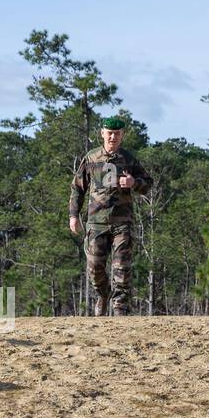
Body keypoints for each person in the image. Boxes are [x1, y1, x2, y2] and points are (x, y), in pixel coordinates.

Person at [69, 115, 153, 316]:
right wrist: (73, 216)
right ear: (102, 134)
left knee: (122, 269)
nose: (113, 137)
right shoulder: (91, 158)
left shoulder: (129, 159)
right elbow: (77, 189)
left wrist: (134, 183)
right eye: (109, 133)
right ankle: (103, 294)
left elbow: (148, 183)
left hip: (122, 224)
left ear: (122, 135)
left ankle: (120, 309)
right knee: (95, 267)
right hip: (96, 223)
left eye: (117, 134)